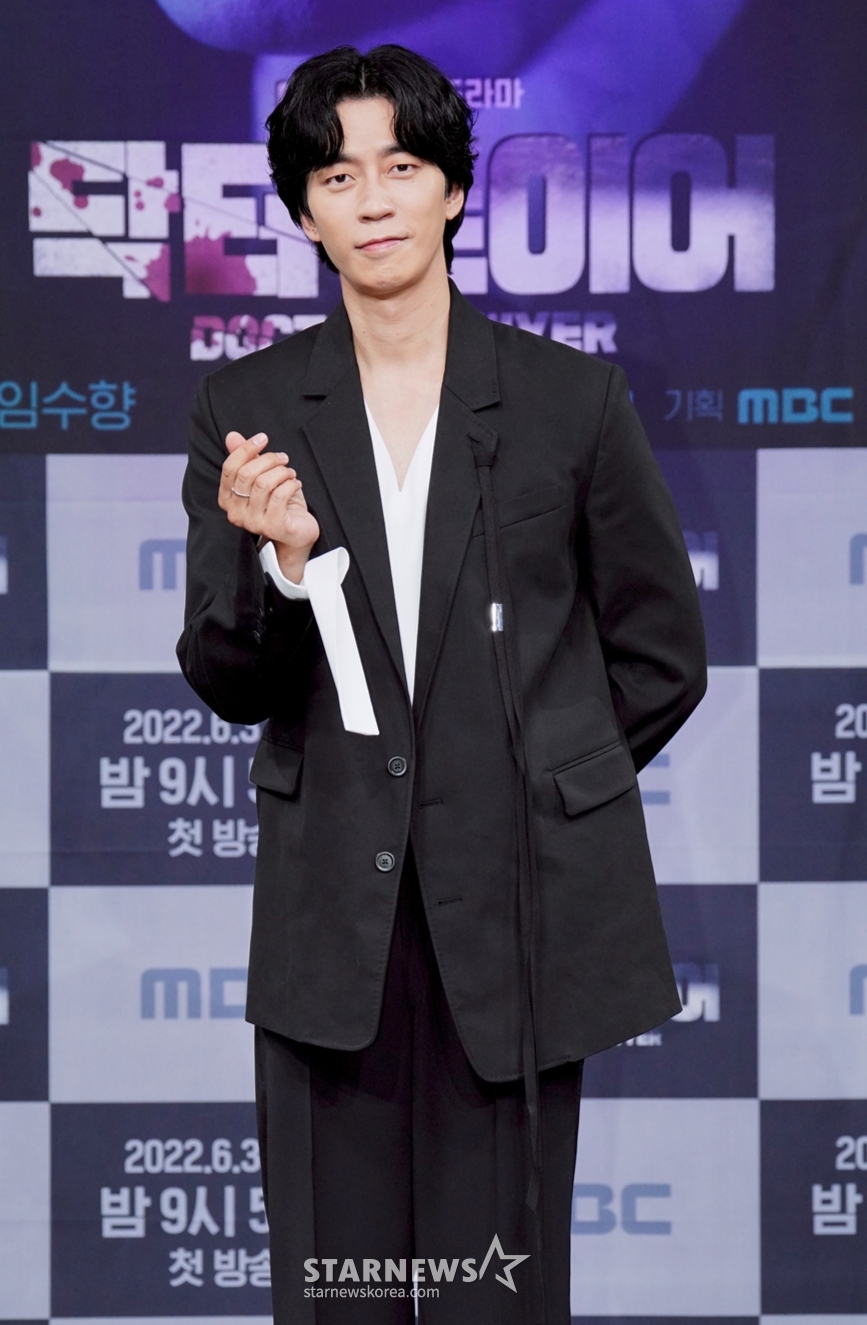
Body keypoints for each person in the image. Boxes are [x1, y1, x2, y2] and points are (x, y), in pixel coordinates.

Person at [177, 43, 707, 1324]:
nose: (372, 200)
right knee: (339, 1294)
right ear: (303, 211)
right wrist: (278, 564)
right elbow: (227, 675)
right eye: (337, 175)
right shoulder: (250, 410)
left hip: (514, 923)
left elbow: (658, 653)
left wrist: (543, 785)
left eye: (401, 167)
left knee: (493, 1299)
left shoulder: (568, 401)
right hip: (330, 930)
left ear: (455, 190)